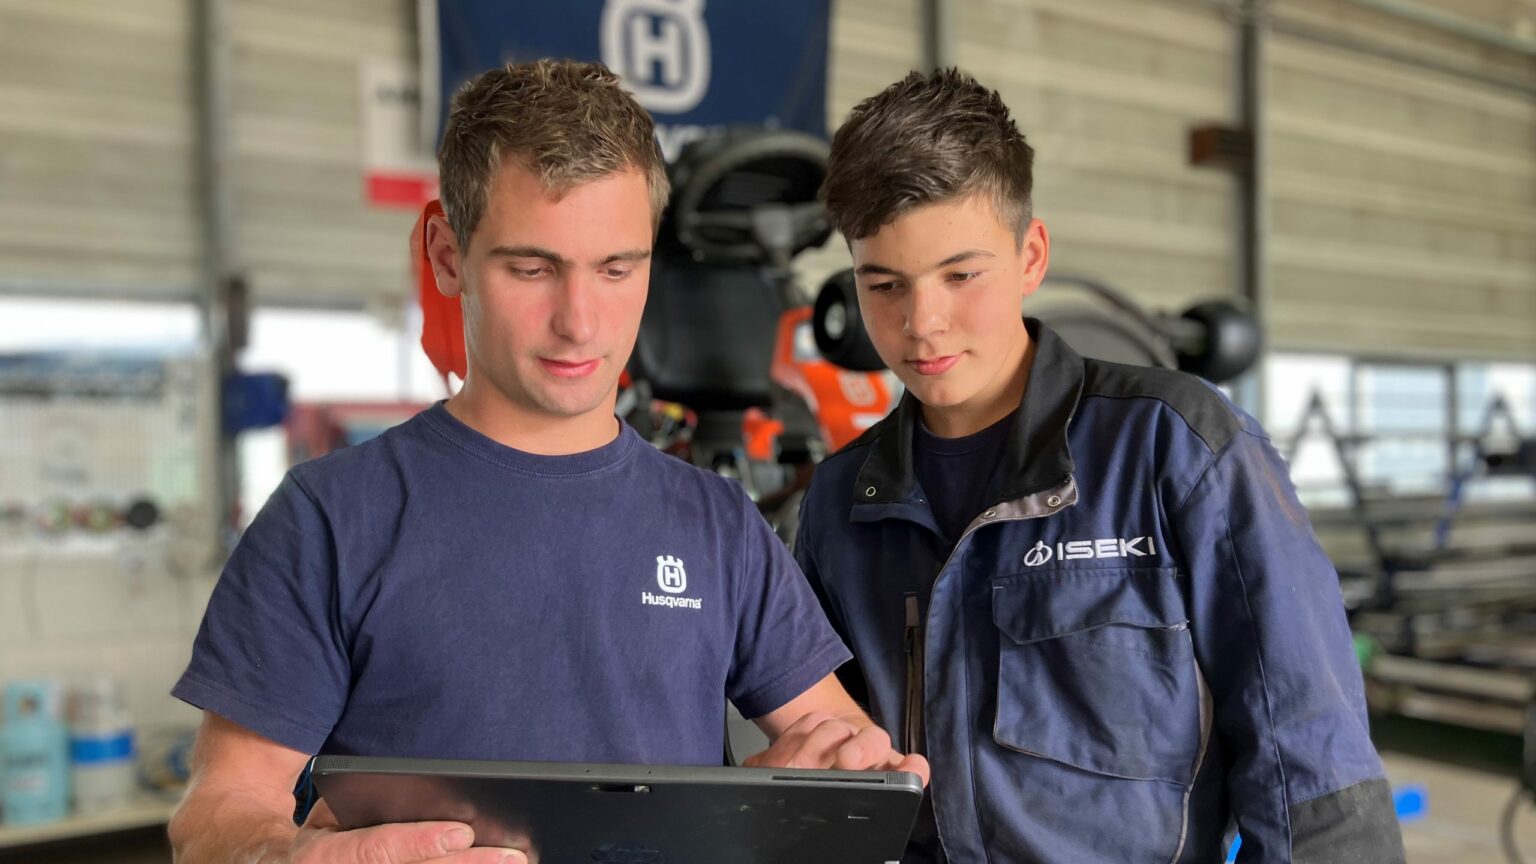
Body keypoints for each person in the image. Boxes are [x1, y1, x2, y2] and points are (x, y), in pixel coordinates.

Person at [167, 59, 925, 864]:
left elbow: (834, 735)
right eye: (531, 268)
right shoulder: (330, 518)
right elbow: (219, 813)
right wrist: (294, 858)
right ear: (447, 254)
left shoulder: (717, 521)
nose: (580, 322)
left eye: (616, 268)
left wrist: (844, 775)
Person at [794, 68, 1404, 863]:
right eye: (885, 285)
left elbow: (1315, 784)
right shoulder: (844, 504)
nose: (923, 323)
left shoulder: (1177, 452)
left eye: (961, 275)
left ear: (1031, 255)